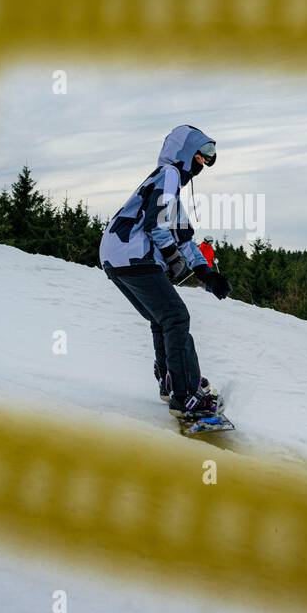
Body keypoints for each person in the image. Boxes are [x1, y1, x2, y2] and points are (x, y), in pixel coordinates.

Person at [99, 125, 231, 421]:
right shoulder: (169, 174)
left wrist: (206, 274)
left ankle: (171, 380)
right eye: (203, 155)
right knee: (176, 316)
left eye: (209, 158)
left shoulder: (170, 188)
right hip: (132, 253)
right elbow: (156, 226)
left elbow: (183, 238)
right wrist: (171, 257)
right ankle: (185, 397)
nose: (205, 164)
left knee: (163, 319)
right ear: (185, 152)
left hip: (117, 256)